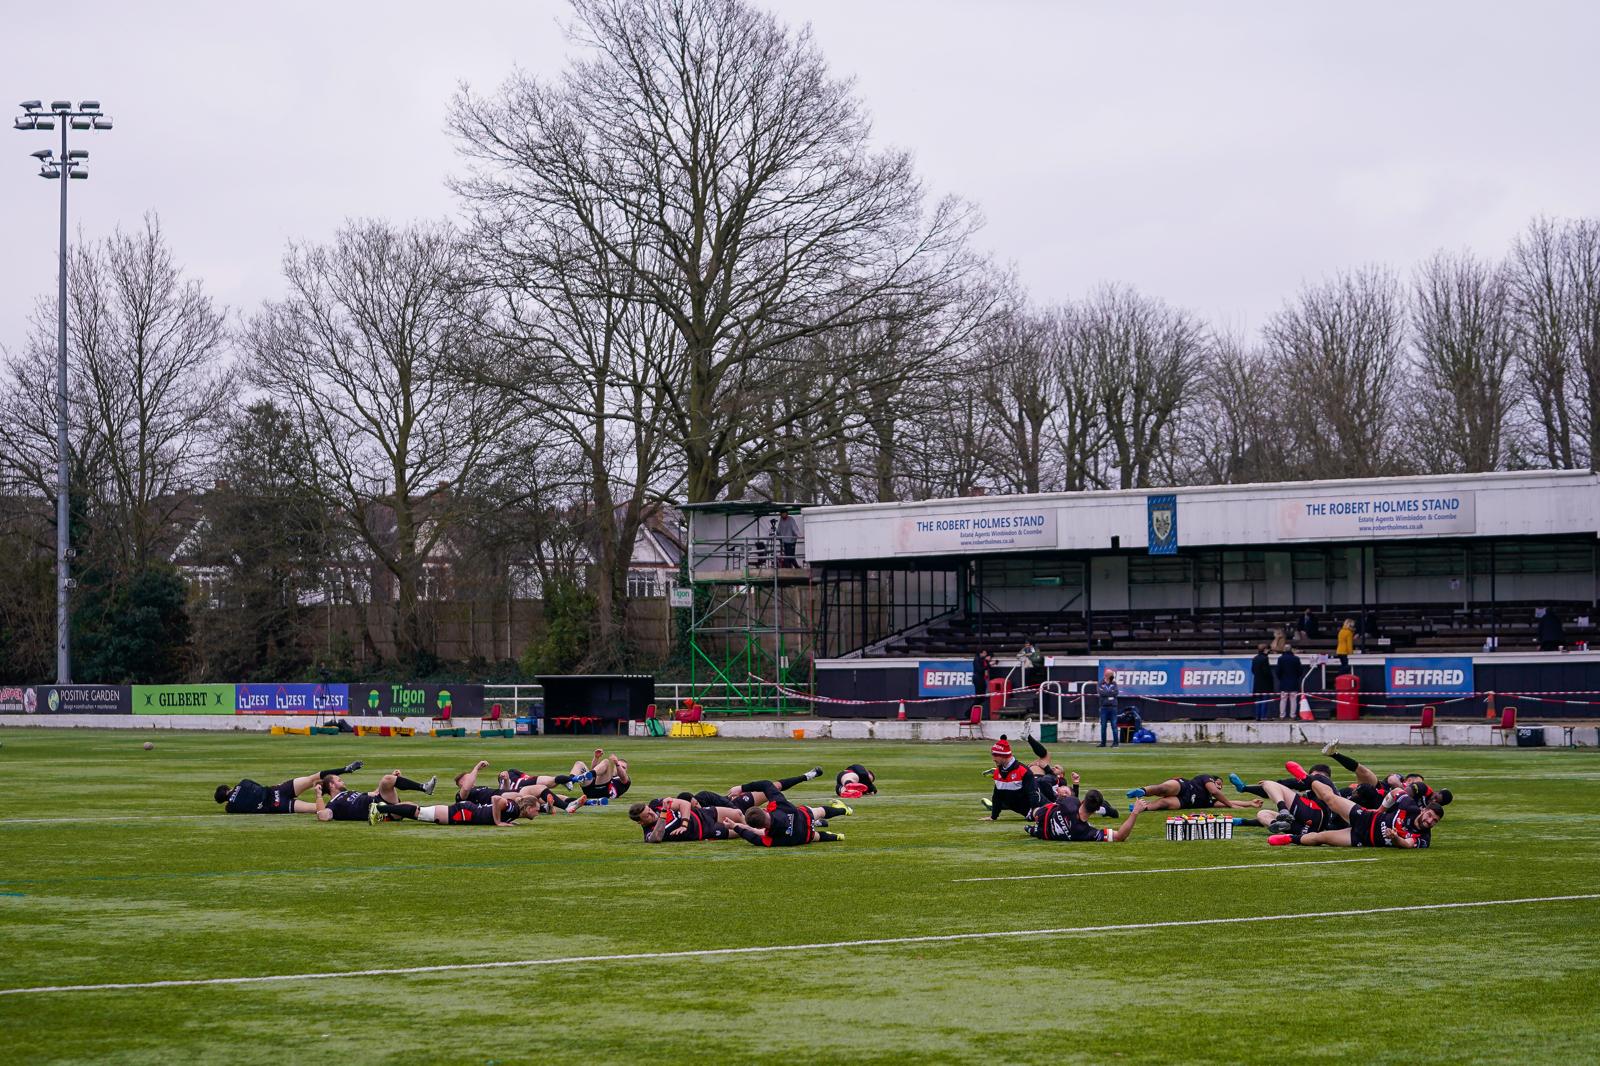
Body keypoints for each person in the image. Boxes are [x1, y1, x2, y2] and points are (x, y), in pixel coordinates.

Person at [1273, 774, 1442, 849]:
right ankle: (1305, 778)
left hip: (1362, 838)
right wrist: (1381, 809)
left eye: (1434, 821)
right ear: (1424, 810)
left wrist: (1396, 838)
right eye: (1429, 816)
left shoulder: (1424, 838)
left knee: (1321, 837)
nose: (1429, 822)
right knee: (1329, 798)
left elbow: (1407, 844)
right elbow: (1396, 792)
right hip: (1365, 817)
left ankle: (1289, 838)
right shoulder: (1410, 807)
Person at [213, 760, 364, 815]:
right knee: (313, 777)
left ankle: (349, 804)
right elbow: (260, 787)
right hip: (278, 790)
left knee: (316, 809)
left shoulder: (230, 808)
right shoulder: (242, 782)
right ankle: (345, 769)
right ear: (229, 787)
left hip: (276, 806)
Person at [317, 768, 436, 823]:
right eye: (339, 780)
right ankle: (438, 817)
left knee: (387, 779)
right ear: (332, 785)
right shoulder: (333, 804)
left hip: (381, 799)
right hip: (379, 812)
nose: (343, 781)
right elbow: (323, 816)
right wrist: (318, 795)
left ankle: (425, 788)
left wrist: (393, 779)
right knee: (412, 806)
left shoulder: (348, 792)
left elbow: (374, 793)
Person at [731, 792, 850, 846]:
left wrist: (735, 827)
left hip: (804, 837)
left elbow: (755, 836)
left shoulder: (769, 837)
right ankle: (844, 810)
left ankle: (837, 837)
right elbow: (770, 789)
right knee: (819, 811)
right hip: (805, 818)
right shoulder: (776, 808)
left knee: (815, 837)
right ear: (763, 810)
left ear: (758, 825)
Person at [1026, 794, 1148, 843]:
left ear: (1083, 800)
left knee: (1040, 810)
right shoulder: (1086, 832)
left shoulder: (1070, 801)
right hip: (1043, 833)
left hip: (1042, 819)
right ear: (1096, 811)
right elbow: (1120, 836)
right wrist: (1135, 812)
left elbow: (1059, 801)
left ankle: (1032, 816)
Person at [375, 793, 538, 827]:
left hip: (467, 812)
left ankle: (386, 813)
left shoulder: (515, 811)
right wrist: (498, 822)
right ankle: (380, 808)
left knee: (421, 812)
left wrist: (504, 820)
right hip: (464, 813)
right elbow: (496, 799)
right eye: (536, 810)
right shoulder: (513, 807)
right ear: (529, 808)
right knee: (421, 813)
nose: (537, 813)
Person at [1126, 773, 1261, 811]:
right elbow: (1215, 791)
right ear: (1213, 780)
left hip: (1184, 802)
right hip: (1185, 787)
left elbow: (1228, 802)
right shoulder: (1206, 778)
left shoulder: (1209, 801)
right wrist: (1230, 805)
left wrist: (1250, 803)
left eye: (1221, 787)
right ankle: (1142, 791)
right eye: (1219, 783)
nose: (1219, 787)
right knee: (1163, 789)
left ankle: (1141, 807)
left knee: (1163, 803)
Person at [629, 798, 743, 842]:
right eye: (647, 815)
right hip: (705, 830)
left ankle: (758, 826)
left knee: (738, 814)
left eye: (649, 810)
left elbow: (684, 803)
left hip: (702, 813)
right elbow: (657, 838)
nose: (652, 813)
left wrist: (684, 824)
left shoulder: (656, 804)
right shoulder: (649, 833)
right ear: (641, 822)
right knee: (740, 830)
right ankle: (758, 833)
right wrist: (663, 813)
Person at [981, 736, 1038, 820]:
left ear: (1004, 755)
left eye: (995, 755)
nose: (993, 759)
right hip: (1023, 810)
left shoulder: (1023, 771)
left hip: (1038, 809)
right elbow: (997, 797)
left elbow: (1033, 794)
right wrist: (993, 817)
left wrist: (1036, 813)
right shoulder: (997, 772)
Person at [1275, 642, 1302, 719]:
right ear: (1291, 650)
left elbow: (1278, 671)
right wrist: (1296, 677)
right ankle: (1292, 715)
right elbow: (1300, 671)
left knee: (1283, 700)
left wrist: (1281, 678)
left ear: (1284, 650)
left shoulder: (1280, 659)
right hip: (1293, 682)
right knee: (1293, 700)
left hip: (1284, 682)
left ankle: (1282, 715)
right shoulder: (1296, 659)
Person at [1251, 643, 1275, 722]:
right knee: (1265, 701)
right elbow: (1266, 672)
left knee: (1258, 701)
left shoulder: (1255, 658)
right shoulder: (1265, 659)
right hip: (1265, 684)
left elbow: (1253, 670)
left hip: (1257, 683)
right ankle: (1263, 716)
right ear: (1265, 649)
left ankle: (1257, 716)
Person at [1097, 668, 1120, 747]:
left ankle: (1116, 743)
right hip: (1104, 708)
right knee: (1103, 726)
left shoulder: (1114, 683)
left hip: (1113, 708)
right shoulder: (1101, 683)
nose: (1112, 676)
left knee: (1114, 725)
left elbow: (1116, 693)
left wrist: (1107, 693)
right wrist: (1110, 693)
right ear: (1106, 675)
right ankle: (1103, 743)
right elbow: (1101, 693)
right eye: (1111, 675)